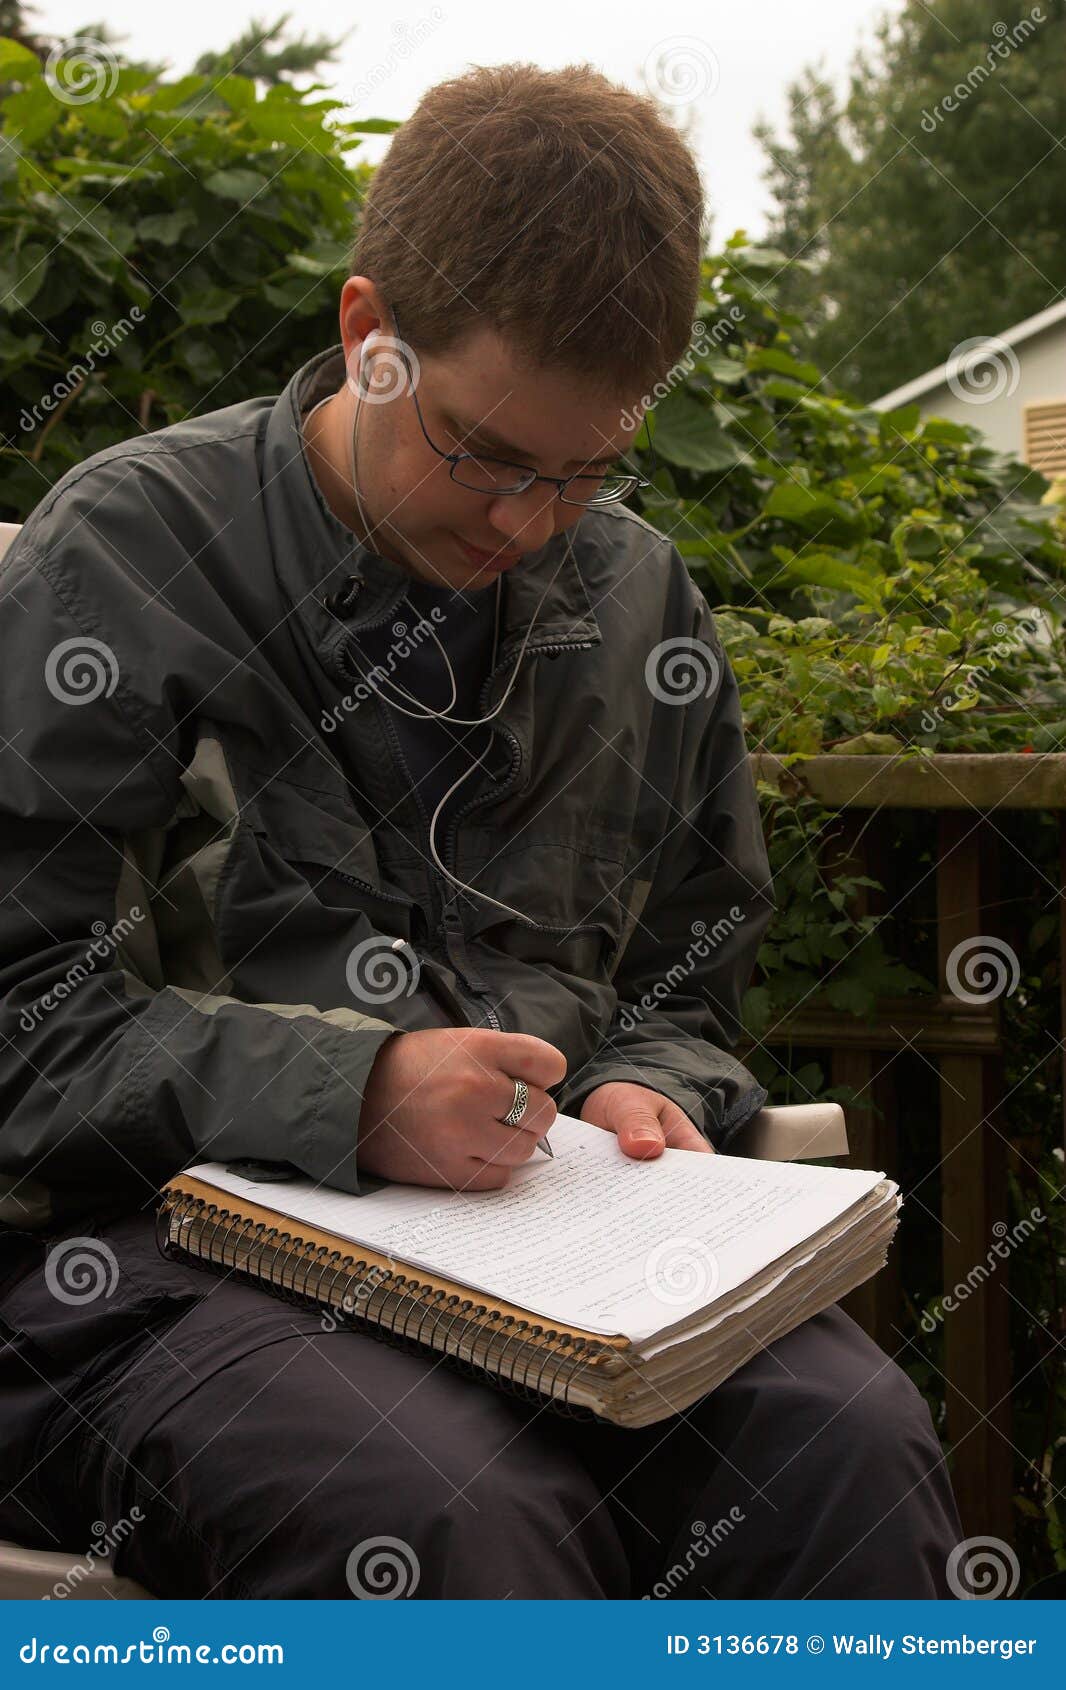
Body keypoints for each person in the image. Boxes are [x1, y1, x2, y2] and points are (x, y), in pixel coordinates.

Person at [0, 61, 962, 1599]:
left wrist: (653, 1083)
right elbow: (21, 1024)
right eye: (482, 452)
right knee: (447, 1517)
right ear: (367, 333)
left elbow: (686, 981)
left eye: (581, 473)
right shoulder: (122, 559)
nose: (525, 521)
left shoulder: (641, 605)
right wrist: (357, 1088)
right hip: (145, 1273)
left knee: (845, 1444)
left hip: (555, 1268)